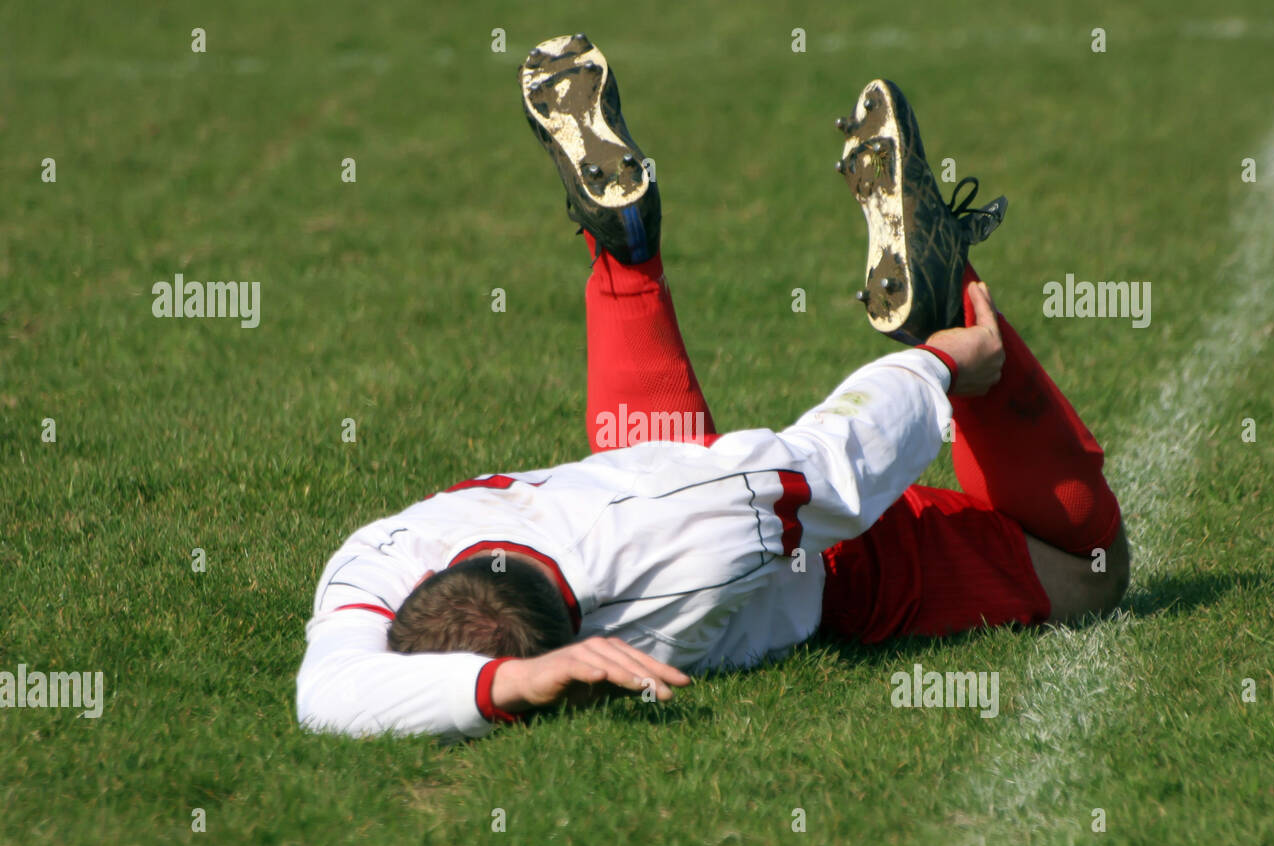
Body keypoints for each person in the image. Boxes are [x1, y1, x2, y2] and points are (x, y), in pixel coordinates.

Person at [295, 34, 1128, 743]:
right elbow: (326, 695)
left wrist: (945, 365)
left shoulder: (689, 554)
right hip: (646, 476)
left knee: (1091, 571)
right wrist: (510, 682)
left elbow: (828, 463)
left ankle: (950, 288)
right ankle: (625, 256)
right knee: (670, 468)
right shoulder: (380, 558)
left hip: (805, 554)